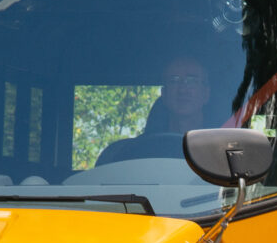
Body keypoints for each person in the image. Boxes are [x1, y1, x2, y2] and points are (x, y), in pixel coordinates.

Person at [96, 55, 224, 164]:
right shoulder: (137, 152)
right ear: (164, 94)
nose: (183, 90)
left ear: (206, 94)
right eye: (174, 81)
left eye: (192, 80)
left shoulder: (224, 149)